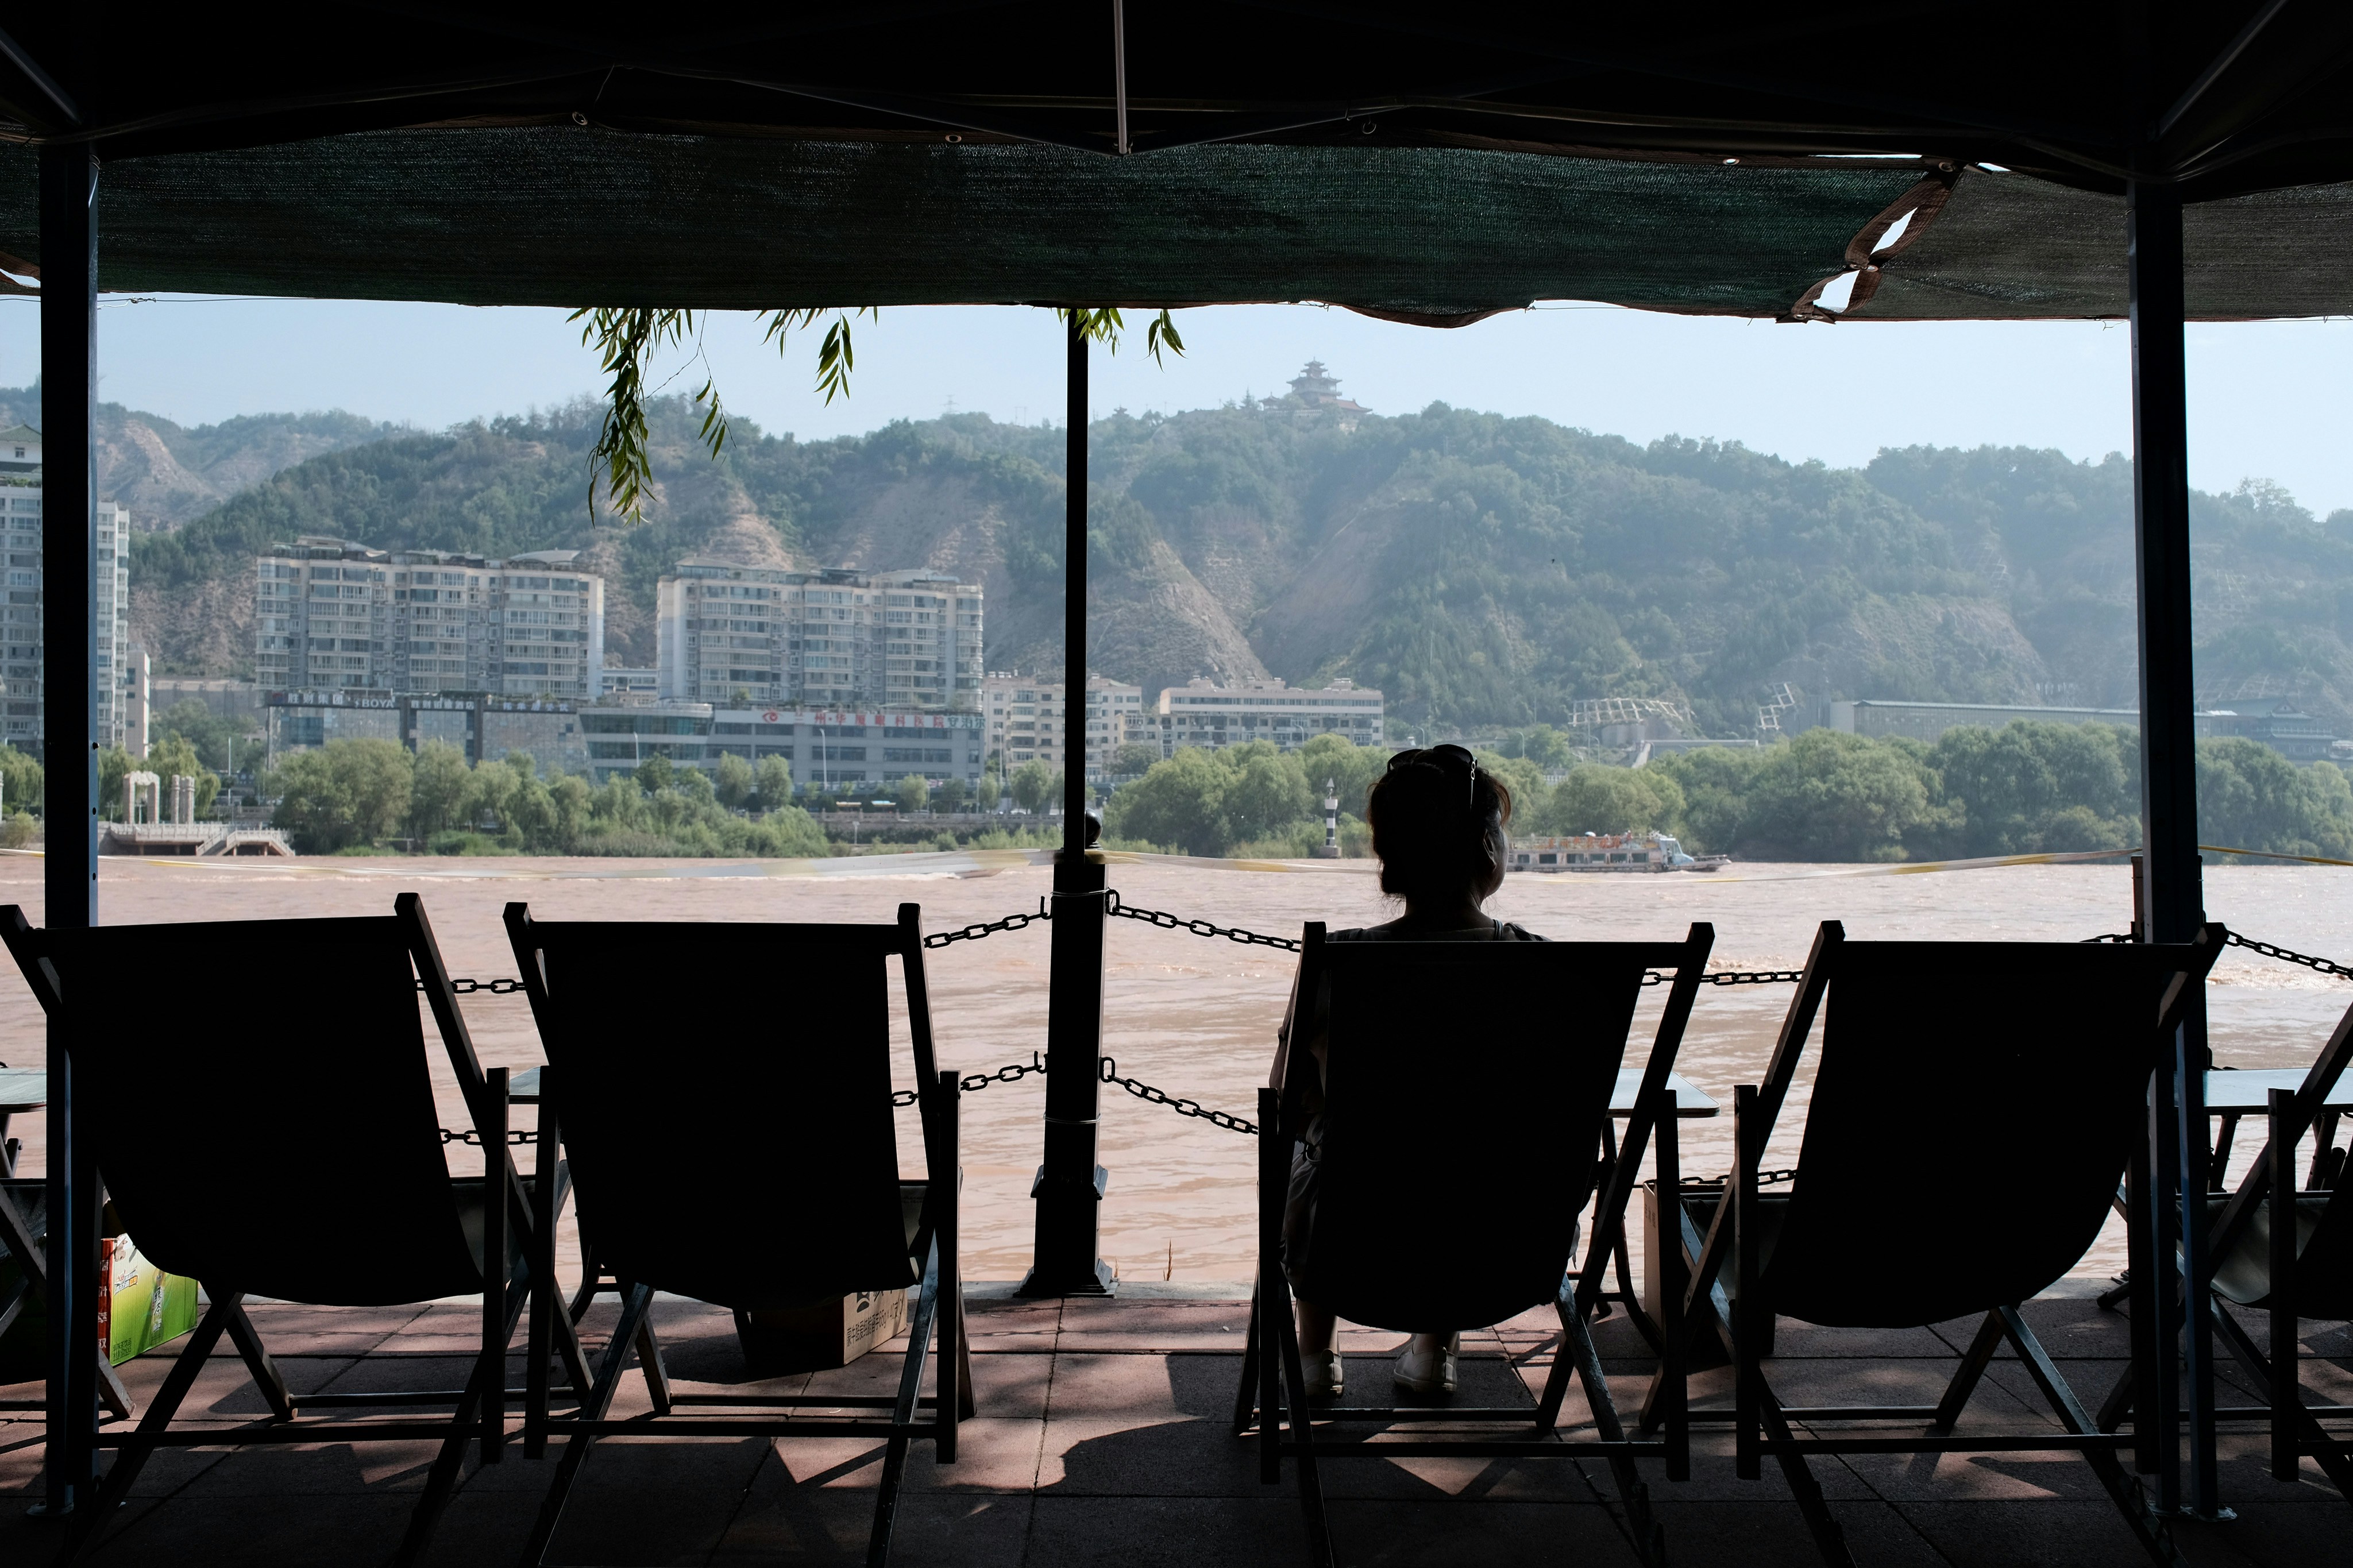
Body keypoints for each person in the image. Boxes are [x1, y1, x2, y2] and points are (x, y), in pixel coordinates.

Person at [1269, 744, 1540, 1399]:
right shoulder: (1537, 968)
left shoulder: (1337, 964)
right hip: (1504, 1248)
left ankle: (1312, 1359)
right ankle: (1433, 1351)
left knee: (1318, 1149)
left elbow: (1285, 1099)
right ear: (1484, 848)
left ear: (1390, 856)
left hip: (1350, 1248)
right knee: (1473, 1154)